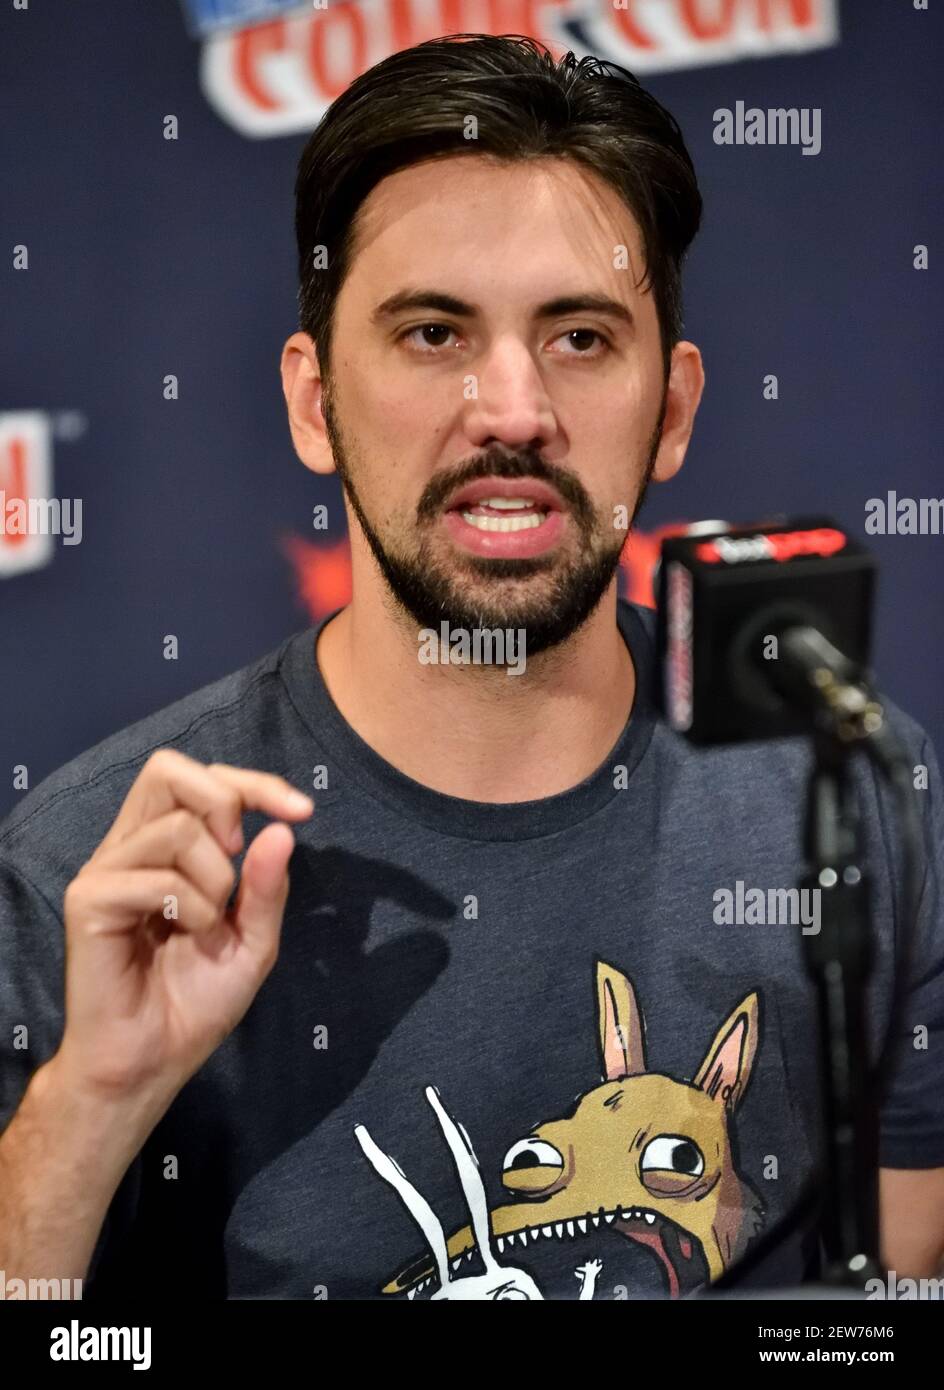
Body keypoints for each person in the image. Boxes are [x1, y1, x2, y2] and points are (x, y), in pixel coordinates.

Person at [1, 33, 942, 1303]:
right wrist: (92, 1103)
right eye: (434, 331)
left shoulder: (848, 795)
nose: (510, 409)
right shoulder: (91, 879)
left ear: (669, 410)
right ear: (313, 401)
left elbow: (901, 1270)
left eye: (578, 338)